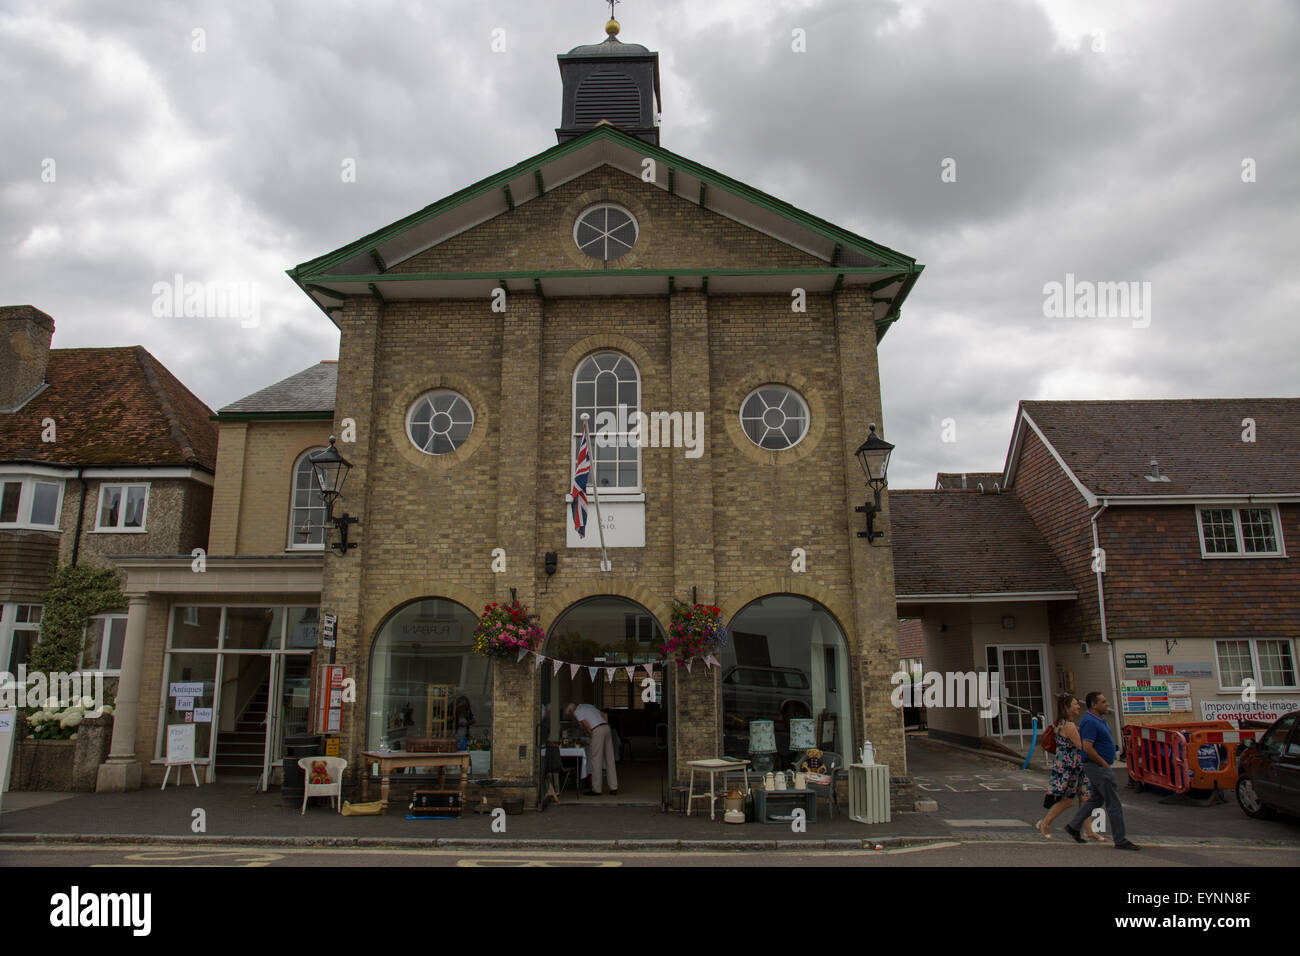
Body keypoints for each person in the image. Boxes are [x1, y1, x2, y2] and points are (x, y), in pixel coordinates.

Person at [1065, 692, 1139, 850]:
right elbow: (1087, 747)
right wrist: (1104, 765)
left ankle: (1074, 826)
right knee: (1114, 803)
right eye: (1103, 702)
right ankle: (1120, 839)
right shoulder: (1090, 722)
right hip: (1097, 766)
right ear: (1093, 705)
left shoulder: (1100, 719)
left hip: (1099, 765)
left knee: (1096, 799)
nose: (1107, 704)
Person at [1035, 695, 1102, 841]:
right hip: (1070, 766)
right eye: (1075, 704)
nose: (1078, 706)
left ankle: (1089, 829)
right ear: (1067, 707)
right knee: (1068, 800)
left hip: (1075, 766)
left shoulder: (1062, 723)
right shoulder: (1069, 726)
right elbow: (1081, 746)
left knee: (1085, 797)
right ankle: (1045, 823)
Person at [564, 701, 618, 795]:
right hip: (606, 728)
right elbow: (604, 714)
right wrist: (605, 725)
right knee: (610, 758)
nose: (572, 717)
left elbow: (586, 725)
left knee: (596, 759)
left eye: (570, 714)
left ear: (571, 710)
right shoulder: (588, 706)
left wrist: (592, 735)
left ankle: (596, 789)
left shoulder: (577, 712)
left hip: (596, 729)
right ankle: (614, 787)